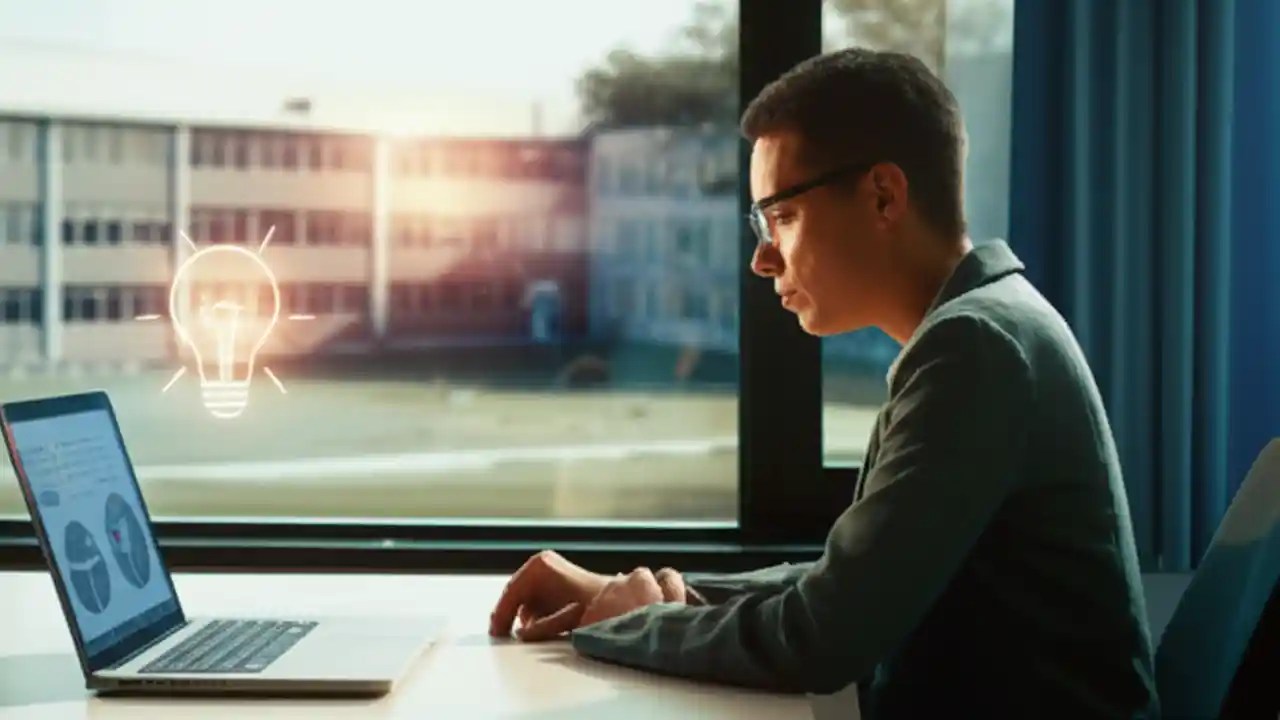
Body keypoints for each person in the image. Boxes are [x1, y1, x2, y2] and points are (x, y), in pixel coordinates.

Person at [489, 47, 1160, 719]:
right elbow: (846, 586)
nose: (761, 258)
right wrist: (640, 594)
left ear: (883, 196)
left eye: (779, 216)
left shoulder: (975, 350)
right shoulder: (985, 326)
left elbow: (822, 637)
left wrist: (623, 624)